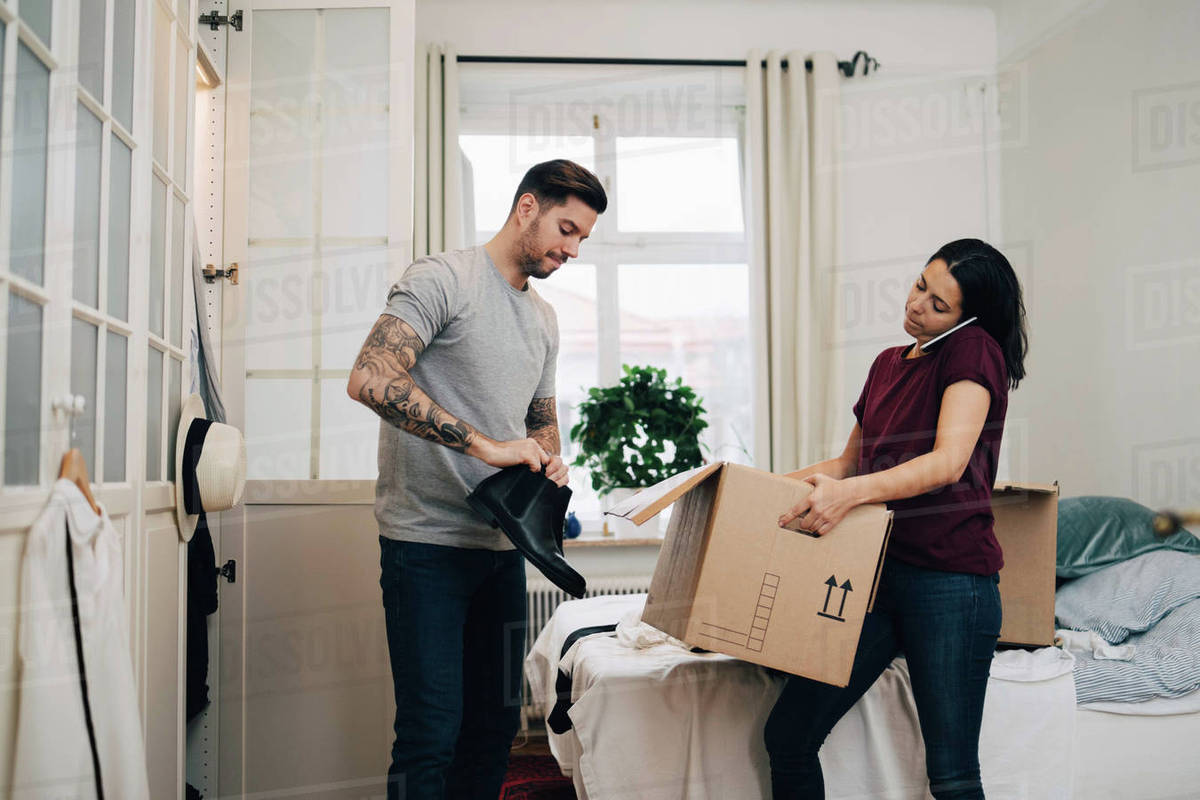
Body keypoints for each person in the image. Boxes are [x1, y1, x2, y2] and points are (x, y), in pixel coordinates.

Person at [346, 159, 606, 800]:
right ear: (526, 207)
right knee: (431, 733)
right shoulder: (443, 279)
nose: (571, 250)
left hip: (500, 553)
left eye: (582, 240)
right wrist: (484, 446)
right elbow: (370, 378)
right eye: (565, 230)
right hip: (424, 547)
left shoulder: (543, 318)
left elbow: (540, 420)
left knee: (493, 729)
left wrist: (550, 458)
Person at [766, 239, 1029, 800]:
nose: (917, 305)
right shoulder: (886, 364)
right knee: (789, 734)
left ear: (968, 319)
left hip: (953, 584)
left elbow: (947, 462)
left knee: (953, 777)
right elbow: (848, 463)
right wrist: (755, 488)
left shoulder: (975, 352)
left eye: (939, 305)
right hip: (879, 577)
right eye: (920, 286)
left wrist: (849, 495)